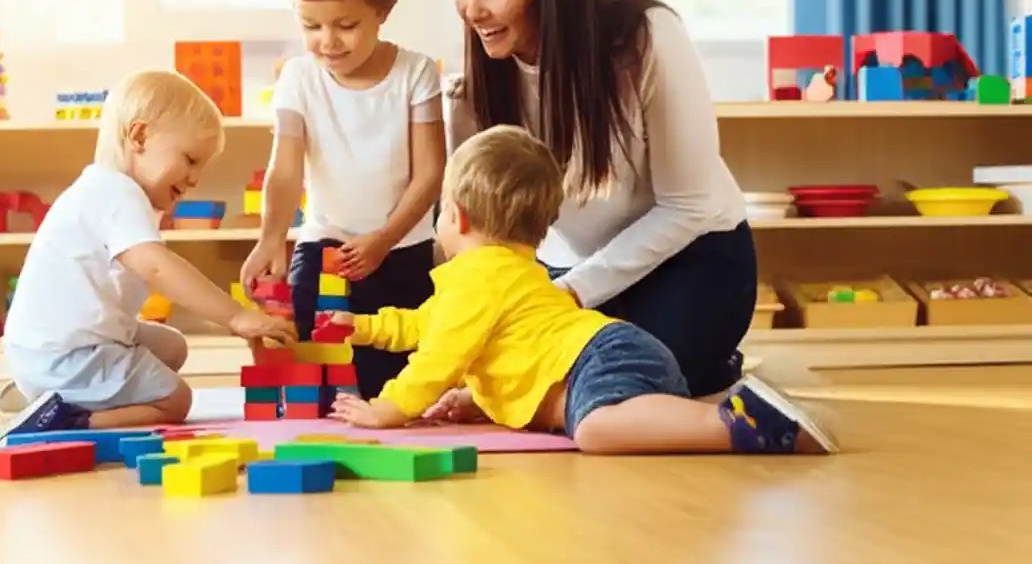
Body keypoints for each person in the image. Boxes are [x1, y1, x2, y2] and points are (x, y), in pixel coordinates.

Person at [327, 126, 835, 455]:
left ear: (454, 214)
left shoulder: (478, 278)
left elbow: (437, 357)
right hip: (618, 353)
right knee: (600, 423)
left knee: (594, 431)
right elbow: (426, 325)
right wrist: (367, 328)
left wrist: (389, 409)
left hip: (601, 359)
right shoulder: (501, 275)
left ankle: (739, 423)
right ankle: (712, 414)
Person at [446, 0, 755, 399]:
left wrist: (571, 292)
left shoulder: (644, 37)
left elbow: (689, 205)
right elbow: (482, 227)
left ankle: (711, 362)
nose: (473, 10)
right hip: (570, 274)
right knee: (510, 376)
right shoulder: (475, 87)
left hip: (692, 255)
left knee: (623, 381)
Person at [0, 71, 296, 445]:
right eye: (189, 160)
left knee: (173, 348)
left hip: (48, 350)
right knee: (175, 399)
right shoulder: (117, 194)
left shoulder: (102, 189)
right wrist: (236, 316)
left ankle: (47, 396)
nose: (195, 178)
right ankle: (69, 417)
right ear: (139, 136)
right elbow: (157, 267)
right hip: (67, 356)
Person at [240, 0, 446, 400]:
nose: (327, 40)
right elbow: (285, 169)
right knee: (314, 372)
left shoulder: (415, 73)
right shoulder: (298, 77)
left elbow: (431, 171)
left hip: (400, 249)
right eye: (311, 26)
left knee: (398, 385)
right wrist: (271, 240)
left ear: (383, 10)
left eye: (346, 25)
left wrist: (384, 238)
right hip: (324, 245)